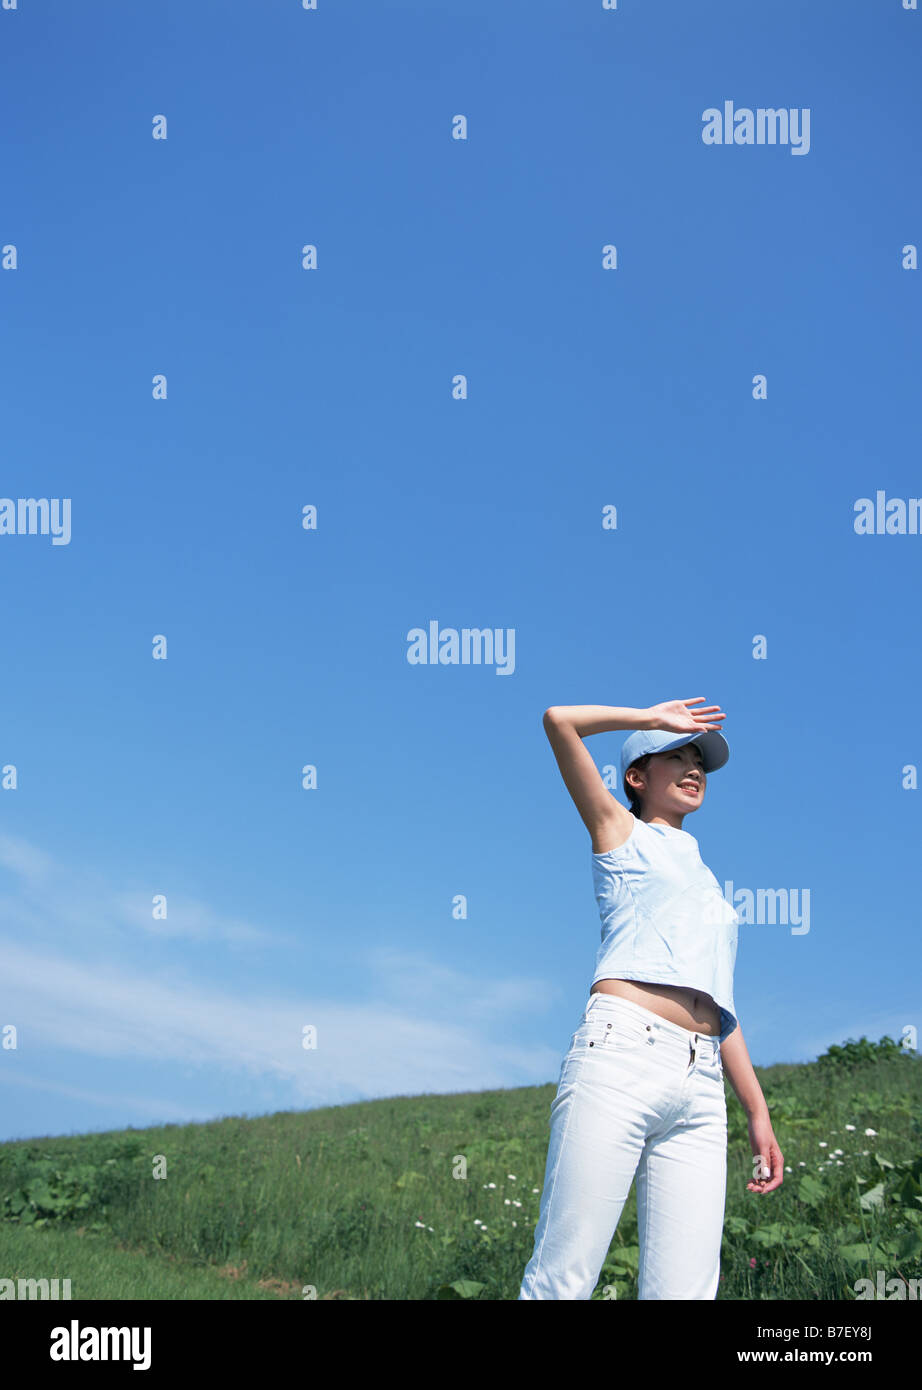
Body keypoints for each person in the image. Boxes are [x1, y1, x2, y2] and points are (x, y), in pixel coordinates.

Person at [518, 697, 783, 1300]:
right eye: (676, 756)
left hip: (701, 1085)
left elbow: (720, 1006)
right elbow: (559, 721)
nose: (694, 768)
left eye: (700, 761)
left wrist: (757, 1112)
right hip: (621, 1056)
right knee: (565, 1277)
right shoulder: (620, 832)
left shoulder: (712, 890)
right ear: (636, 777)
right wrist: (650, 717)